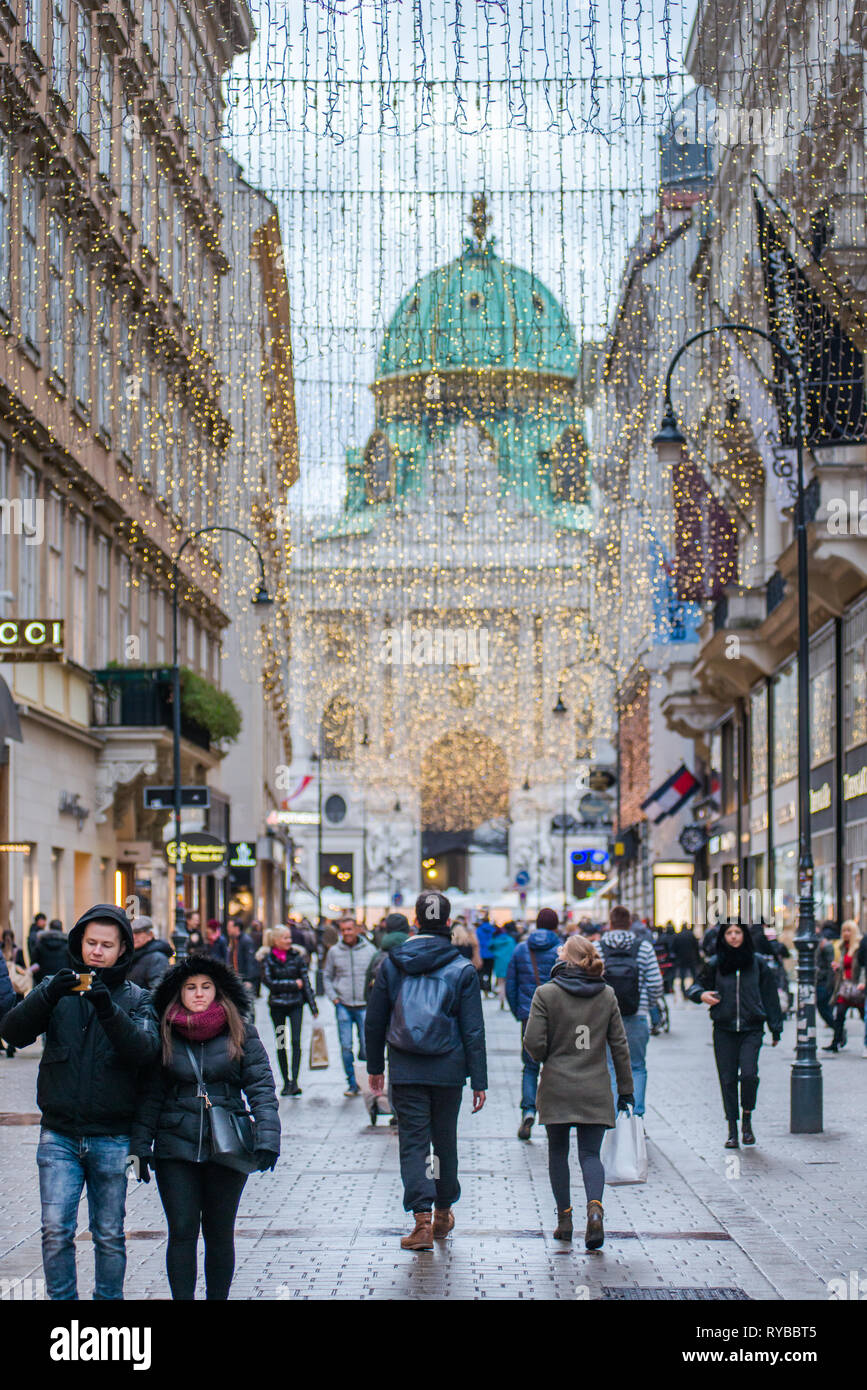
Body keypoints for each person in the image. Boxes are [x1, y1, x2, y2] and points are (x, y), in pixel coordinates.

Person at [0, 904, 159, 1299]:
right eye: (91, 943)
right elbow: (13, 1033)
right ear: (79, 942)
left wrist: (107, 1008)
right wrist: (48, 993)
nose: (97, 952)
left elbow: (144, 1051)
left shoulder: (138, 998)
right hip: (59, 1134)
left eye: (107, 945)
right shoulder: (57, 988)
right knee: (55, 1230)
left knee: (108, 1234)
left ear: (123, 949)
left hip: (113, 1135)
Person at [129, 955, 280, 1300]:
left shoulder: (241, 1030)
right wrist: (140, 1146)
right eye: (190, 987)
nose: (198, 994)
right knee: (181, 1230)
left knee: (219, 1232)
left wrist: (268, 1137)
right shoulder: (164, 1032)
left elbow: (261, 1088)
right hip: (174, 1147)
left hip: (227, 1145)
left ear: (218, 991)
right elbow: (149, 1094)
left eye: (206, 987)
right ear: (178, 993)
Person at [365, 890, 487, 1251]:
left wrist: (375, 1067)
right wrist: (478, 1079)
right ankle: (443, 1211)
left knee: (414, 1142)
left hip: (405, 1064)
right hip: (448, 1068)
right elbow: (473, 1029)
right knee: (444, 1139)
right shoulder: (462, 968)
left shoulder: (392, 963)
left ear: (415, 922)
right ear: (449, 924)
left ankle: (420, 1220)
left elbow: (375, 1020)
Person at [523, 933, 633, 1248]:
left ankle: (565, 1219)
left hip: (557, 1084)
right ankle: (595, 1210)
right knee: (589, 1153)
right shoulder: (607, 994)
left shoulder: (546, 993)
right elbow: (620, 1046)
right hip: (595, 1085)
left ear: (566, 959)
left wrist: (545, 1056)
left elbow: (533, 1041)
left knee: (558, 1152)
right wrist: (625, 1089)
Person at [688, 922, 783, 1147]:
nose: (733, 937)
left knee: (749, 1075)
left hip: (752, 1028)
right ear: (723, 937)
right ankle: (732, 1130)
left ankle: (747, 1119)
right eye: (729, 933)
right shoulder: (716, 963)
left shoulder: (757, 963)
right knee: (728, 1079)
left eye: (737, 932)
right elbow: (693, 988)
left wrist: (775, 1027)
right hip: (724, 1029)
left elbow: (770, 996)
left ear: (744, 935)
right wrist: (702, 995)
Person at [599, 905, 663, 1119]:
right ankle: (635, 1116)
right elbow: (656, 984)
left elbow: (589, 982)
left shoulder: (597, 948)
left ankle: (614, 1117)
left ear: (610, 923)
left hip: (606, 1018)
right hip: (637, 1015)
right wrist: (646, 1004)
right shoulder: (643, 948)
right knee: (637, 1066)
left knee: (610, 1066)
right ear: (630, 924)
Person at [505, 907, 562, 1140]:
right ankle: (554, 1115)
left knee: (529, 1066)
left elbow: (511, 984)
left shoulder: (521, 949)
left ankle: (528, 1110)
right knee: (555, 1066)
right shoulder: (563, 948)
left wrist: (519, 1011)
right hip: (558, 1015)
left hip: (529, 1015)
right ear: (556, 925)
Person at [323, 916, 377, 1096]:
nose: (346, 933)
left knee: (366, 1045)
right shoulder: (334, 952)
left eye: (349, 929)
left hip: (364, 1004)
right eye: (343, 930)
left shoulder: (369, 950)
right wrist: (334, 998)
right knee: (346, 1045)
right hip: (343, 1004)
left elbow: (378, 973)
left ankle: (368, 1080)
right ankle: (352, 1083)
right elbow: (327, 976)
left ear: (357, 930)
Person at [262, 925, 318, 1095]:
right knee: (281, 1043)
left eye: (289, 938)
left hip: (295, 1005)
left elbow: (305, 981)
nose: (289, 941)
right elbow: (269, 982)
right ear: (276, 940)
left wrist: (313, 1005)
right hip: (277, 1007)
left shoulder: (297, 956)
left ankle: (295, 1081)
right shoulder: (268, 959)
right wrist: (293, 984)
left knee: (295, 1042)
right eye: (285, 938)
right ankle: (286, 1081)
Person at [824, 919, 863, 1053]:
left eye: (848, 930)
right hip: (845, 987)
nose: (846, 933)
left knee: (864, 1015)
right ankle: (836, 1042)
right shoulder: (842, 947)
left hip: (857, 986)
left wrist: (862, 982)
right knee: (839, 1014)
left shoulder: (858, 947)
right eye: (844, 930)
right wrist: (838, 967)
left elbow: (861, 967)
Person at [127, 917, 173, 990]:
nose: (133, 937)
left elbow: (157, 991)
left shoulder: (157, 958)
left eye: (138, 933)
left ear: (150, 935)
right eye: (131, 933)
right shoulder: (132, 955)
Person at [815, 923, 838, 1032]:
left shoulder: (825, 944)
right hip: (818, 980)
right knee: (823, 1008)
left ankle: (838, 1030)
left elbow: (830, 966)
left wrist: (829, 984)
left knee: (823, 1007)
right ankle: (838, 1033)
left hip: (823, 981)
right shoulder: (816, 942)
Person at [226, 918, 259, 992]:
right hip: (237, 979)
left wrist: (248, 980)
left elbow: (250, 961)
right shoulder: (234, 940)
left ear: (236, 928)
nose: (227, 929)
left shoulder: (246, 941)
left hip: (244, 981)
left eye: (229, 927)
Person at [490, 922, 517, 1007]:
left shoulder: (495, 941)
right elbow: (515, 950)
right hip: (509, 963)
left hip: (499, 963)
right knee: (509, 984)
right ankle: (508, 1002)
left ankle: (501, 1000)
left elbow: (489, 947)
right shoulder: (510, 940)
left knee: (501, 983)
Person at [671, 925, 700, 998]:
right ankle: (695, 990)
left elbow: (674, 948)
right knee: (694, 975)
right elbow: (696, 947)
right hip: (691, 958)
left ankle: (684, 992)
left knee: (682, 976)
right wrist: (697, 957)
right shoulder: (691, 935)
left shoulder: (678, 936)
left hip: (681, 959)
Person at [474, 909, 495, 995]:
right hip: (491, 954)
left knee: (481, 973)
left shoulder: (478, 930)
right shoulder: (493, 930)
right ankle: (488, 989)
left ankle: (482, 989)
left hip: (481, 953)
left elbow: (476, 942)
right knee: (489, 973)